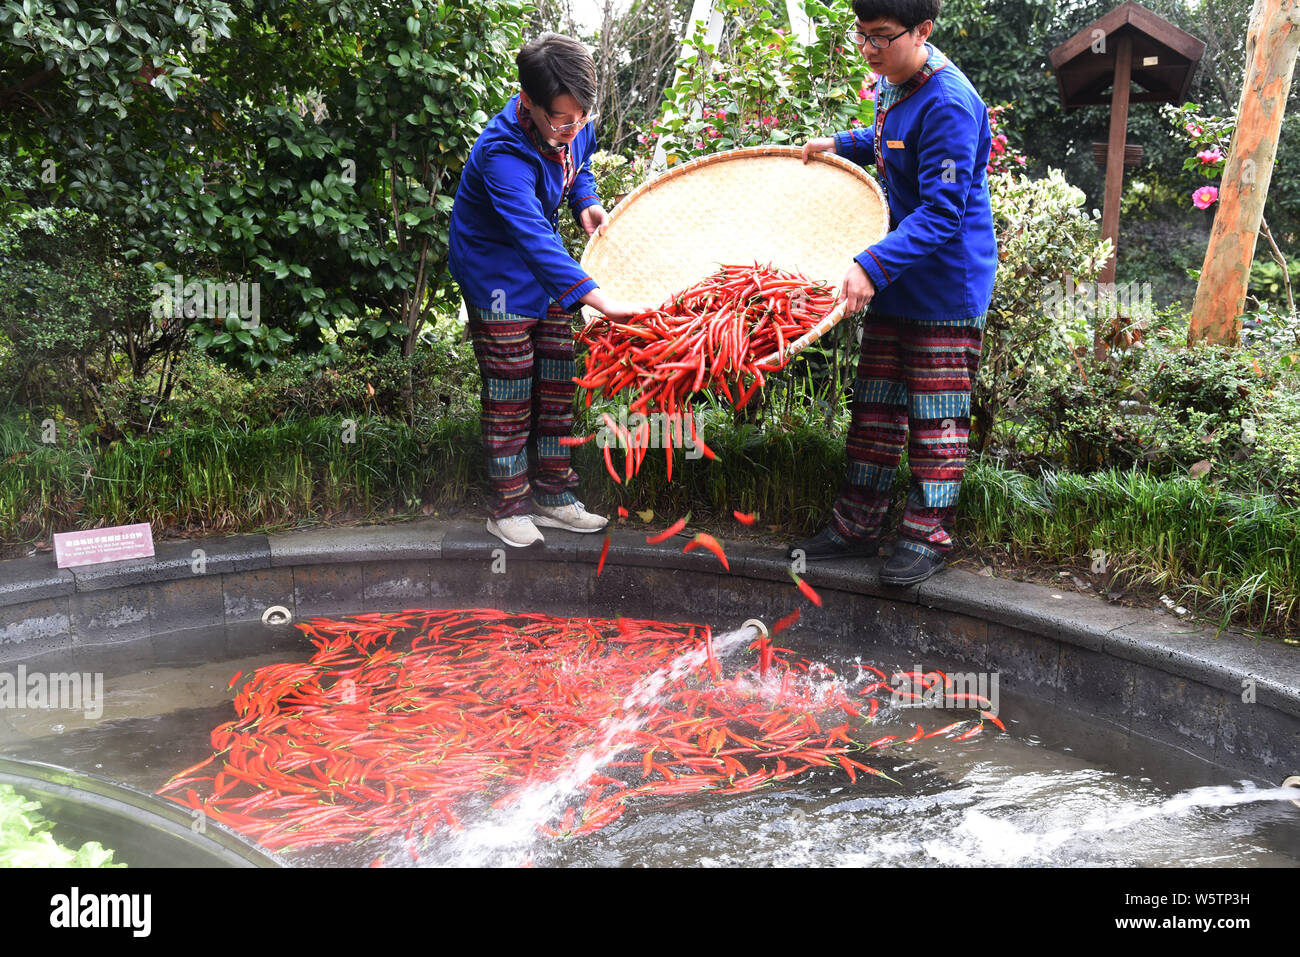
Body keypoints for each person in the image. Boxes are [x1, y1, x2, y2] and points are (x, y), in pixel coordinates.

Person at [792, 0, 997, 586]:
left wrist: (870, 264)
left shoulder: (951, 104)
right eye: (862, 37)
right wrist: (839, 142)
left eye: (881, 38)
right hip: (895, 275)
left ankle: (926, 535)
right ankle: (856, 527)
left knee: (936, 415)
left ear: (923, 32)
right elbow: (889, 140)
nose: (869, 49)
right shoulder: (894, 81)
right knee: (876, 408)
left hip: (943, 284)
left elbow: (942, 212)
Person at [449, 33, 648, 548]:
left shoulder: (572, 121)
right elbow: (534, 238)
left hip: (546, 271)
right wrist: (599, 298)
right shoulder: (500, 153)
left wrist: (586, 197)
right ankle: (508, 506)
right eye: (561, 120)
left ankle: (554, 496)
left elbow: (579, 164)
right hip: (498, 274)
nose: (573, 128)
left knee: (558, 380)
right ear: (529, 103)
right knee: (511, 388)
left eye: (580, 117)